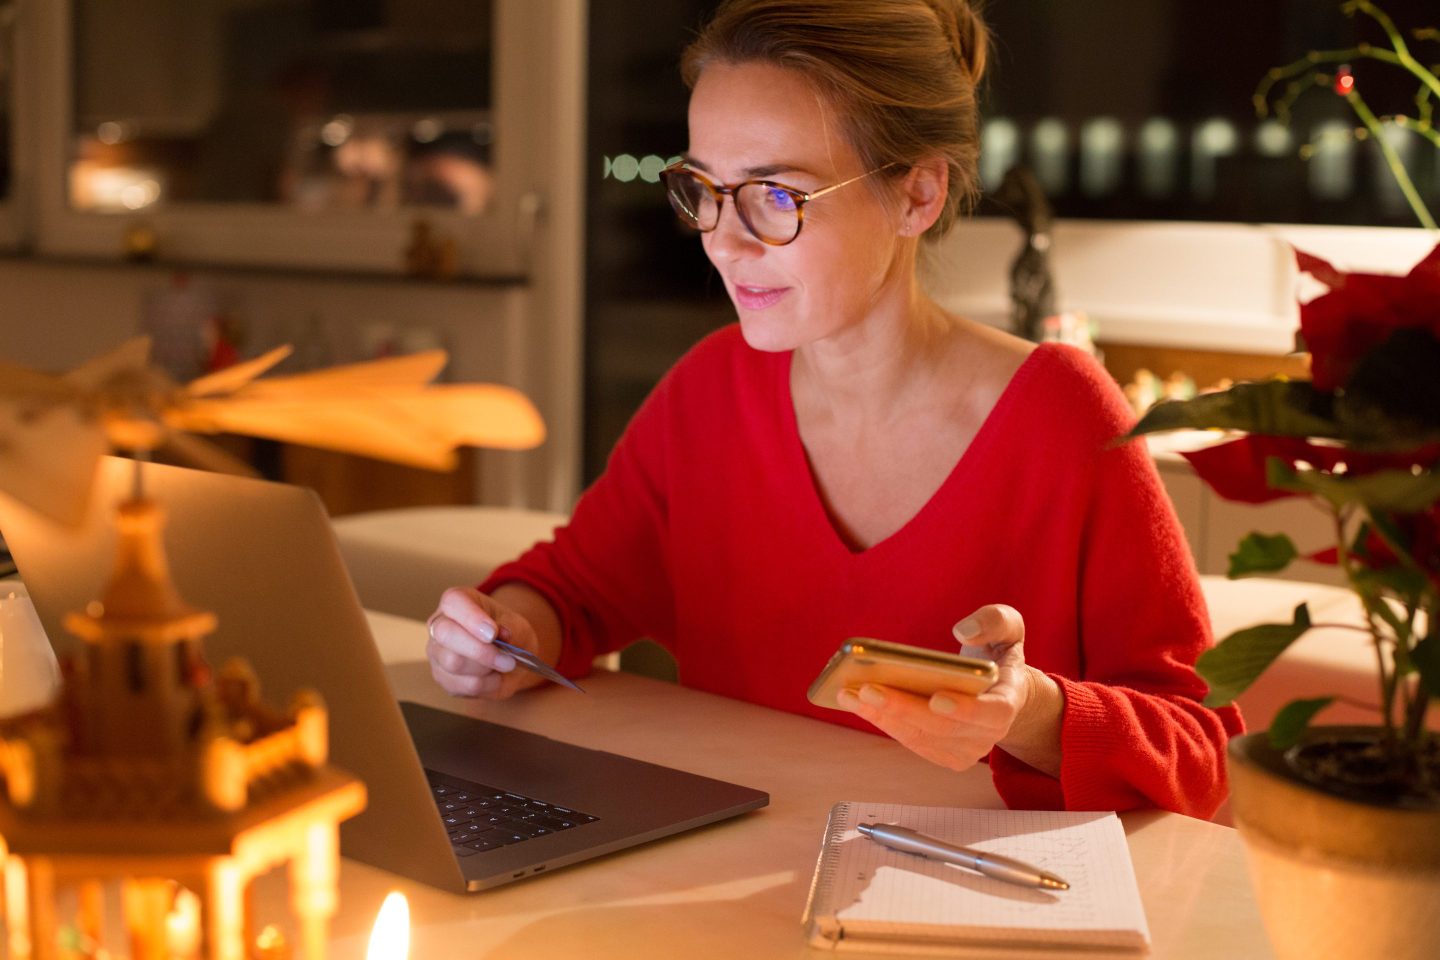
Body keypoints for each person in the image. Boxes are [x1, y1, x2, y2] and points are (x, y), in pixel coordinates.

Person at [426, 0, 1242, 818]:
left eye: (776, 196)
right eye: (704, 189)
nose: (723, 239)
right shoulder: (711, 391)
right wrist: (503, 637)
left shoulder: (1061, 417)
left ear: (918, 194)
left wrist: (1026, 711)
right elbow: (568, 595)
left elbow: (1200, 754)